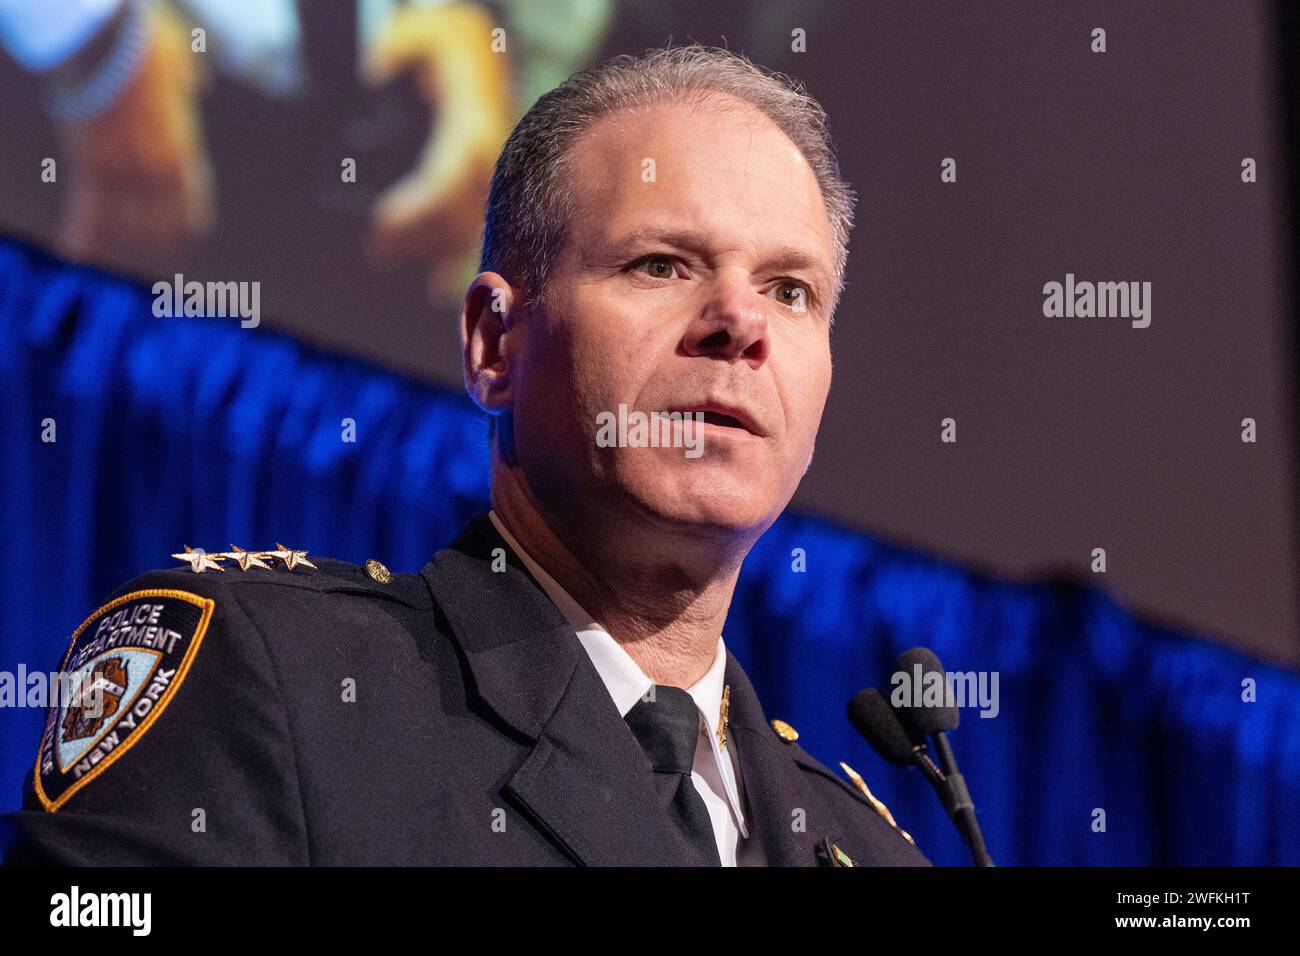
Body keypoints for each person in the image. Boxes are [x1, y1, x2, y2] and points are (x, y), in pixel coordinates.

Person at [3, 43, 928, 867]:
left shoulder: (870, 847)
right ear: (495, 344)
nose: (742, 323)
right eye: (662, 265)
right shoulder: (274, 685)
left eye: (792, 290)